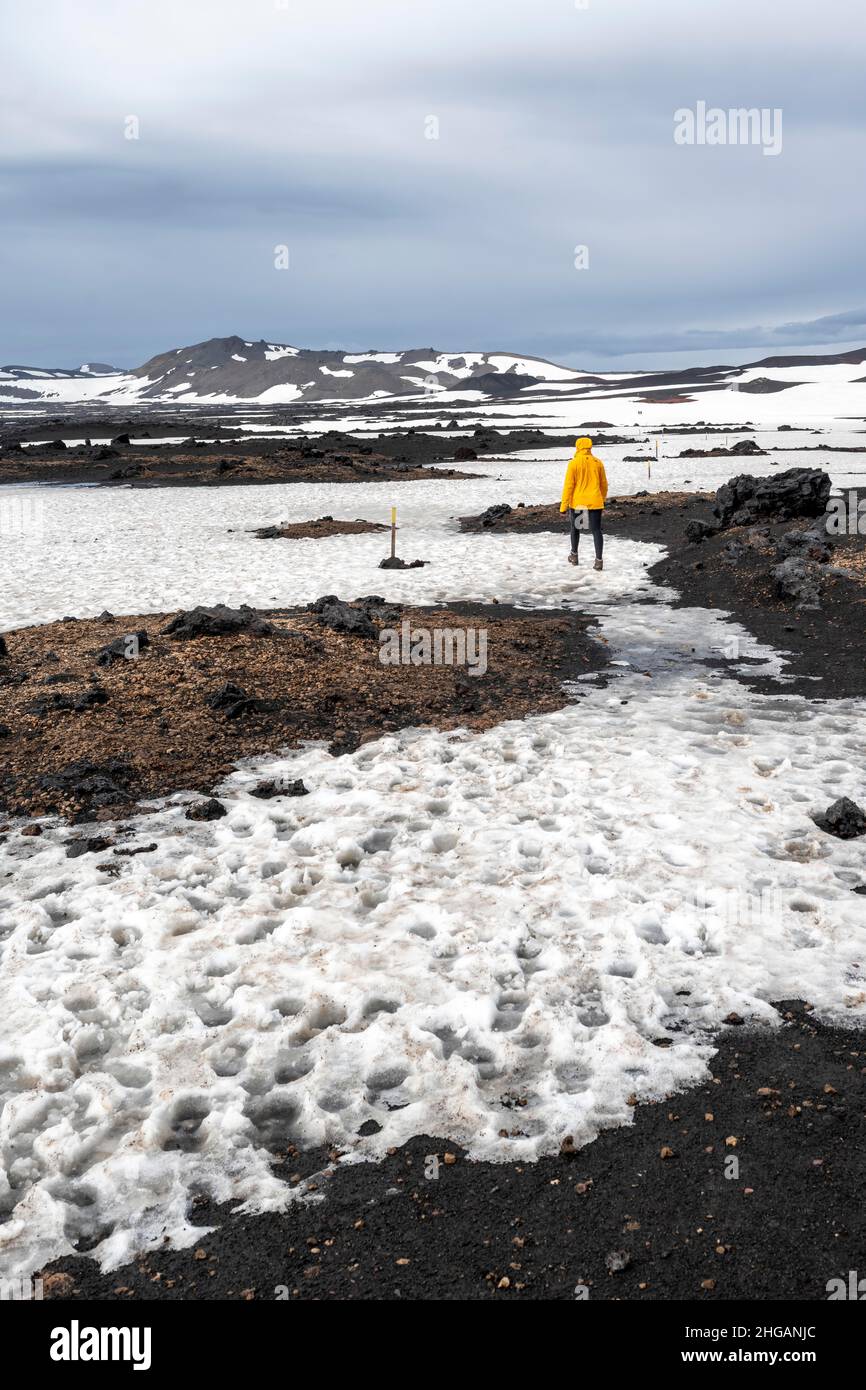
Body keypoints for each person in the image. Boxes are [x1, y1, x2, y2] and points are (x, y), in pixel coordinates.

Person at [560, 435, 608, 571]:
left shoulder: (573, 463)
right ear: (590, 446)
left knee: (576, 529)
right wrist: (602, 499)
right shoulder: (598, 462)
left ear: (578, 447)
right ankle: (599, 561)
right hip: (595, 502)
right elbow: (604, 484)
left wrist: (563, 506)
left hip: (579, 503)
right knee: (596, 530)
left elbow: (568, 486)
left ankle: (574, 556)